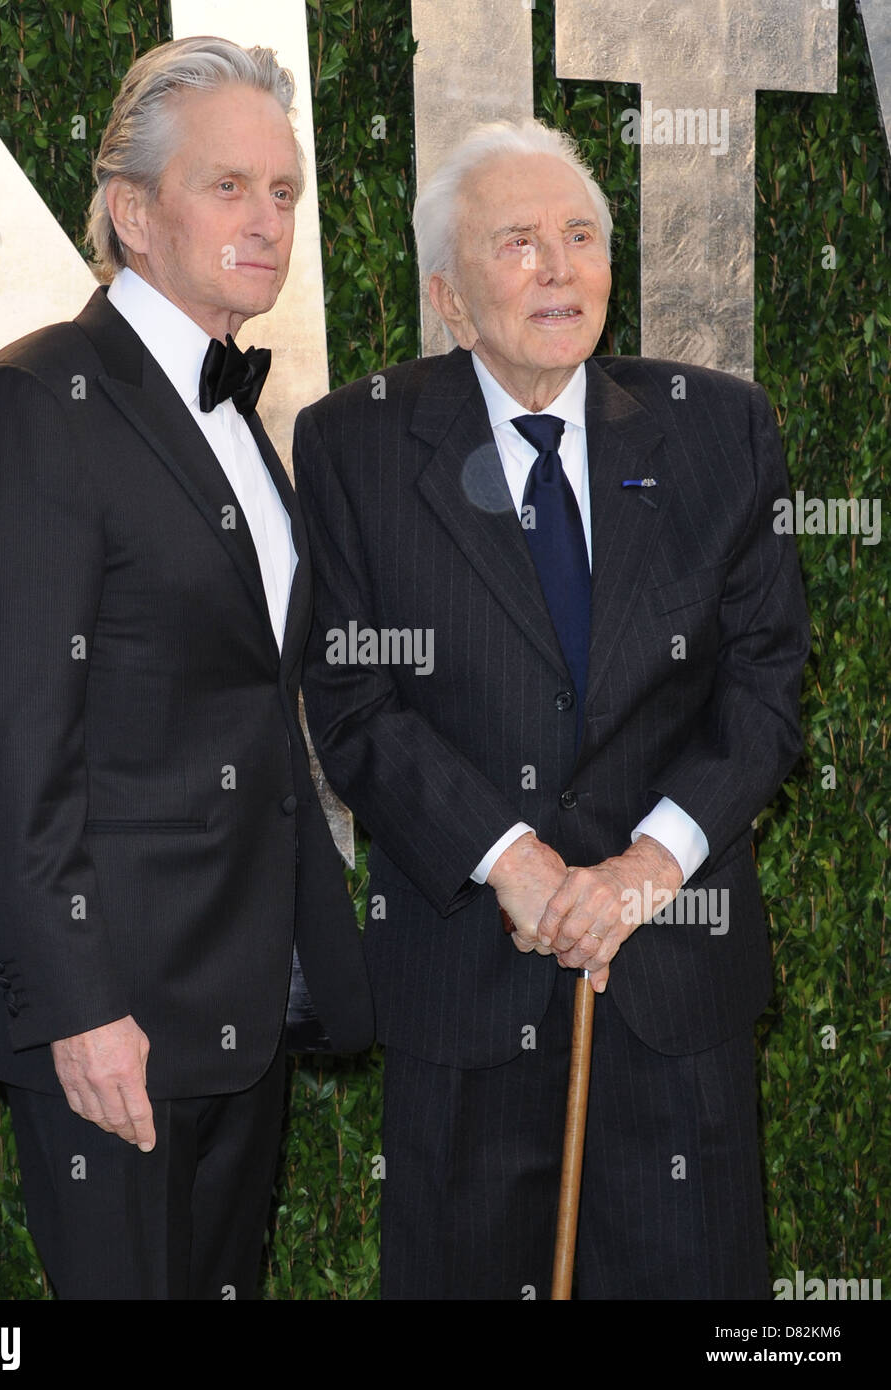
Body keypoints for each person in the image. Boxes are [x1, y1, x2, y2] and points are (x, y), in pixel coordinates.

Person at [293, 117, 809, 1300]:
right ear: (448, 295)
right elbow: (354, 698)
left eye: (580, 236)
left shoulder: (718, 427)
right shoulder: (353, 444)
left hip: (671, 986)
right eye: (517, 242)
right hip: (462, 985)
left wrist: (646, 865)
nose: (560, 266)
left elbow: (765, 685)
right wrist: (512, 861)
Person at [0, 35, 372, 1301]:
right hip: (115, 1015)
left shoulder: (232, 416)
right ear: (133, 210)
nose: (269, 220)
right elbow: (12, 739)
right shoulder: (35, 402)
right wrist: (80, 1011)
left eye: (284, 192)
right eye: (228, 186)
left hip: (242, 1004)